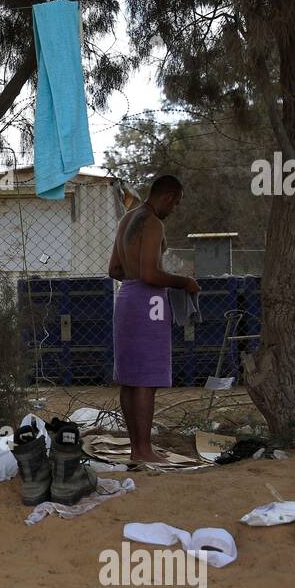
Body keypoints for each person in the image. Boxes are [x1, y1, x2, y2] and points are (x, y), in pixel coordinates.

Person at [106, 175, 200, 463]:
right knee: (146, 378)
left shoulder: (126, 219)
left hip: (126, 299)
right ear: (169, 197)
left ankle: (137, 448)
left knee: (130, 379)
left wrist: (134, 279)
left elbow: (114, 269)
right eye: (176, 203)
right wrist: (184, 282)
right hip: (149, 302)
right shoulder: (154, 223)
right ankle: (144, 450)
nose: (175, 209)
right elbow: (150, 273)